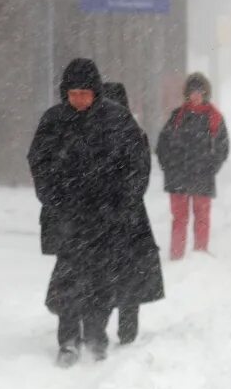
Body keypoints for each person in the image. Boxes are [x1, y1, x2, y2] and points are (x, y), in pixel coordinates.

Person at [28, 60, 152, 365]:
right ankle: (68, 340)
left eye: (84, 93)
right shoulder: (54, 121)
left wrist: (123, 201)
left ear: (96, 91)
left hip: (107, 218)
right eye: (73, 94)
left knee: (101, 280)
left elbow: (137, 164)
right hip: (68, 217)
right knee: (69, 279)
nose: (79, 99)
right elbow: (39, 162)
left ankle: (96, 335)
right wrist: (54, 197)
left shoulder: (117, 120)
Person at [100, 82, 164, 344]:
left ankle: (98, 329)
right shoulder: (134, 132)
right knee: (129, 274)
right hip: (130, 217)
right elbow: (141, 176)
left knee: (102, 274)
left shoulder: (98, 133)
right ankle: (127, 329)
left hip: (106, 216)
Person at [156, 72, 231, 259]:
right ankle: (177, 256)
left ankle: (200, 255)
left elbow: (223, 147)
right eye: (192, 92)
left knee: (202, 217)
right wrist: (168, 165)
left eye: (199, 92)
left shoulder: (214, 117)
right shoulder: (177, 116)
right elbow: (162, 144)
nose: (196, 95)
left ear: (205, 94)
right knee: (179, 218)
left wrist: (211, 166)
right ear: (187, 94)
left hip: (202, 174)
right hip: (178, 175)